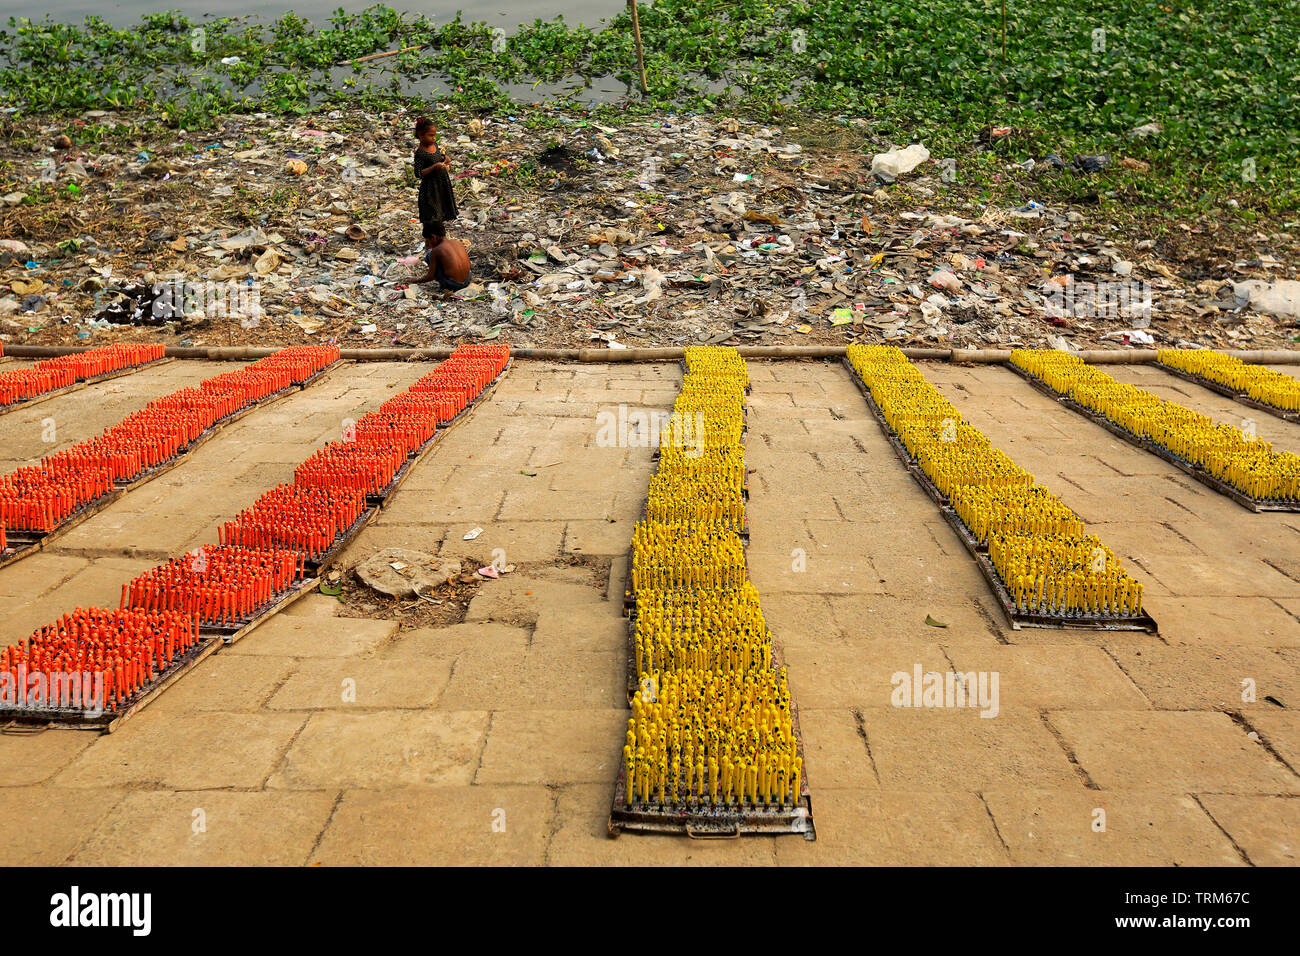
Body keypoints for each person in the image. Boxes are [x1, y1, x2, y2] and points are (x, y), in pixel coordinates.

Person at [413, 117, 458, 238]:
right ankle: (433, 238)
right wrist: (434, 167)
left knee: (441, 209)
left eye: (434, 135)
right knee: (432, 215)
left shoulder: (435, 145)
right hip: (430, 188)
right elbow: (418, 173)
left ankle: (438, 237)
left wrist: (445, 159)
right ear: (420, 135)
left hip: (441, 184)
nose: (433, 138)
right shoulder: (420, 153)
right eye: (430, 135)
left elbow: (438, 157)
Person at [413, 221, 471, 292]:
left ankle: (444, 286)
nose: (429, 244)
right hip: (468, 280)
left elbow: (430, 277)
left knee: (429, 254)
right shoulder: (458, 243)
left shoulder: (436, 250)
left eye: (428, 241)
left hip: (454, 285)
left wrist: (416, 281)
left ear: (433, 237)